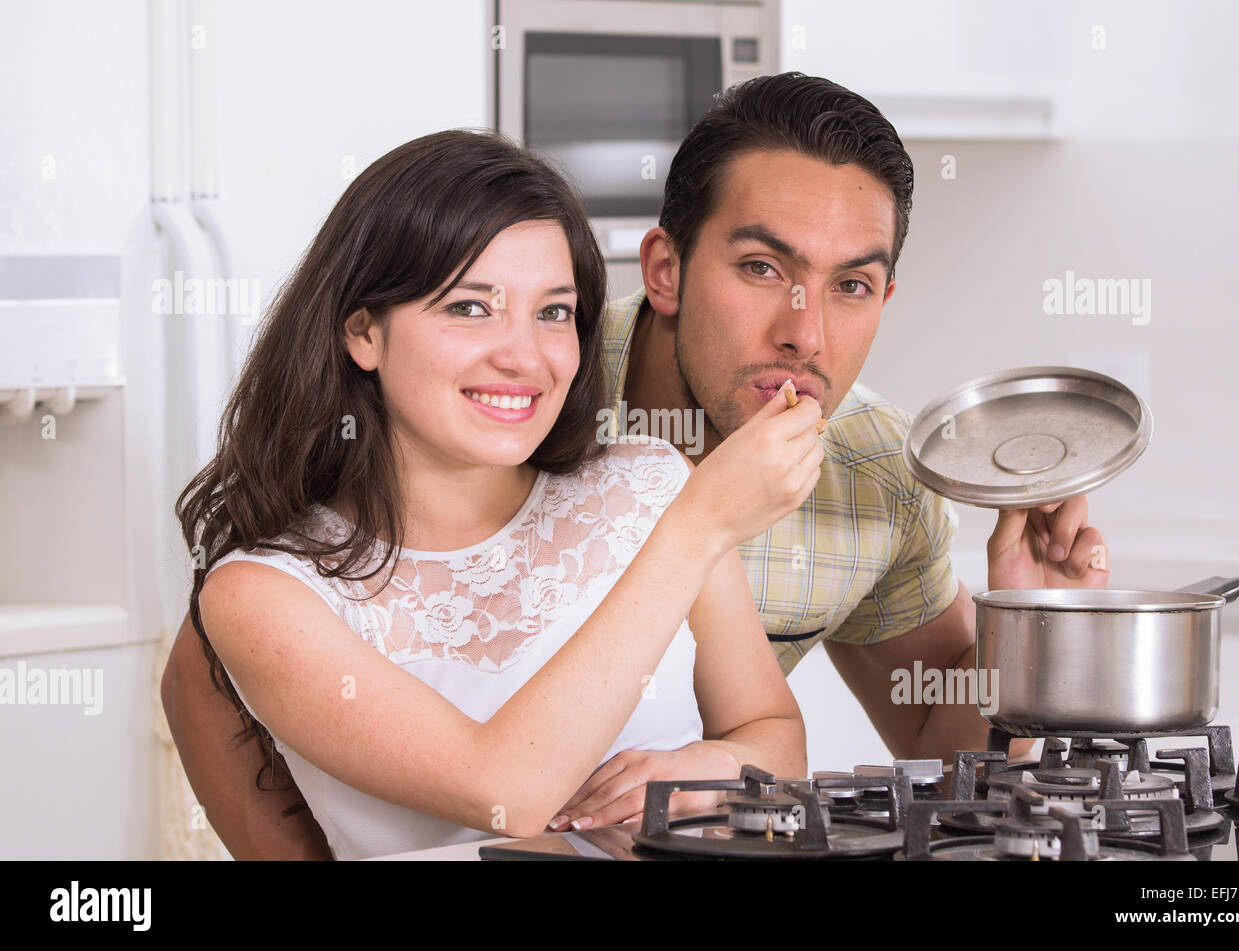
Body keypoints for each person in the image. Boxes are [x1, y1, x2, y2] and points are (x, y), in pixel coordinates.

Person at [163, 72, 1109, 859]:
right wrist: (700, 521)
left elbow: (914, 756)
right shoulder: (589, 431)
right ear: (664, 272)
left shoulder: (806, 473)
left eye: (850, 285)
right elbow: (223, 680)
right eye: (761, 268)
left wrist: (1034, 627)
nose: (806, 332)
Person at [170, 130, 814, 860]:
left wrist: (715, 767)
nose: (524, 356)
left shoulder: (650, 486)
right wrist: (698, 528)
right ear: (364, 333)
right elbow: (508, 790)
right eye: (472, 308)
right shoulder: (262, 596)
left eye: (553, 312)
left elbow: (774, 735)